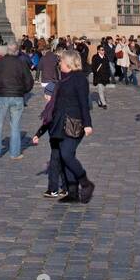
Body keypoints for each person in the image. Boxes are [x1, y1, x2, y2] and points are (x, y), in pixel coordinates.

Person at [46, 49, 94, 203]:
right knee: (66, 156)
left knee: (66, 154)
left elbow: (83, 102)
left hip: (75, 123)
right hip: (61, 122)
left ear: (68, 63)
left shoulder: (79, 78)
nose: (59, 63)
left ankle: (86, 183)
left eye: (61, 61)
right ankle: (72, 192)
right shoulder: (64, 78)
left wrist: (87, 124)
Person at [0, 42, 34, 160]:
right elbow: (29, 81)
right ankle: (15, 153)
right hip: (17, 96)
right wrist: (23, 91)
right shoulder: (21, 63)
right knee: (15, 126)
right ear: (17, 51)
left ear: (7, 50)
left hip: (2, 96)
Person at [90, 44, 111, 109]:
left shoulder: (106, 57)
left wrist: (109, 75)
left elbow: (108, 67)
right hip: (98, 76)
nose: (103, 51)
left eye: (103, 50)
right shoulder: (95, 57)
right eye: (102, 50)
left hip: (105, 76)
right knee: (100, 90)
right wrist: (95, 72)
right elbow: (93, 67)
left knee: (102, 90)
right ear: (98, 51)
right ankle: (104, 104)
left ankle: (99, 101)